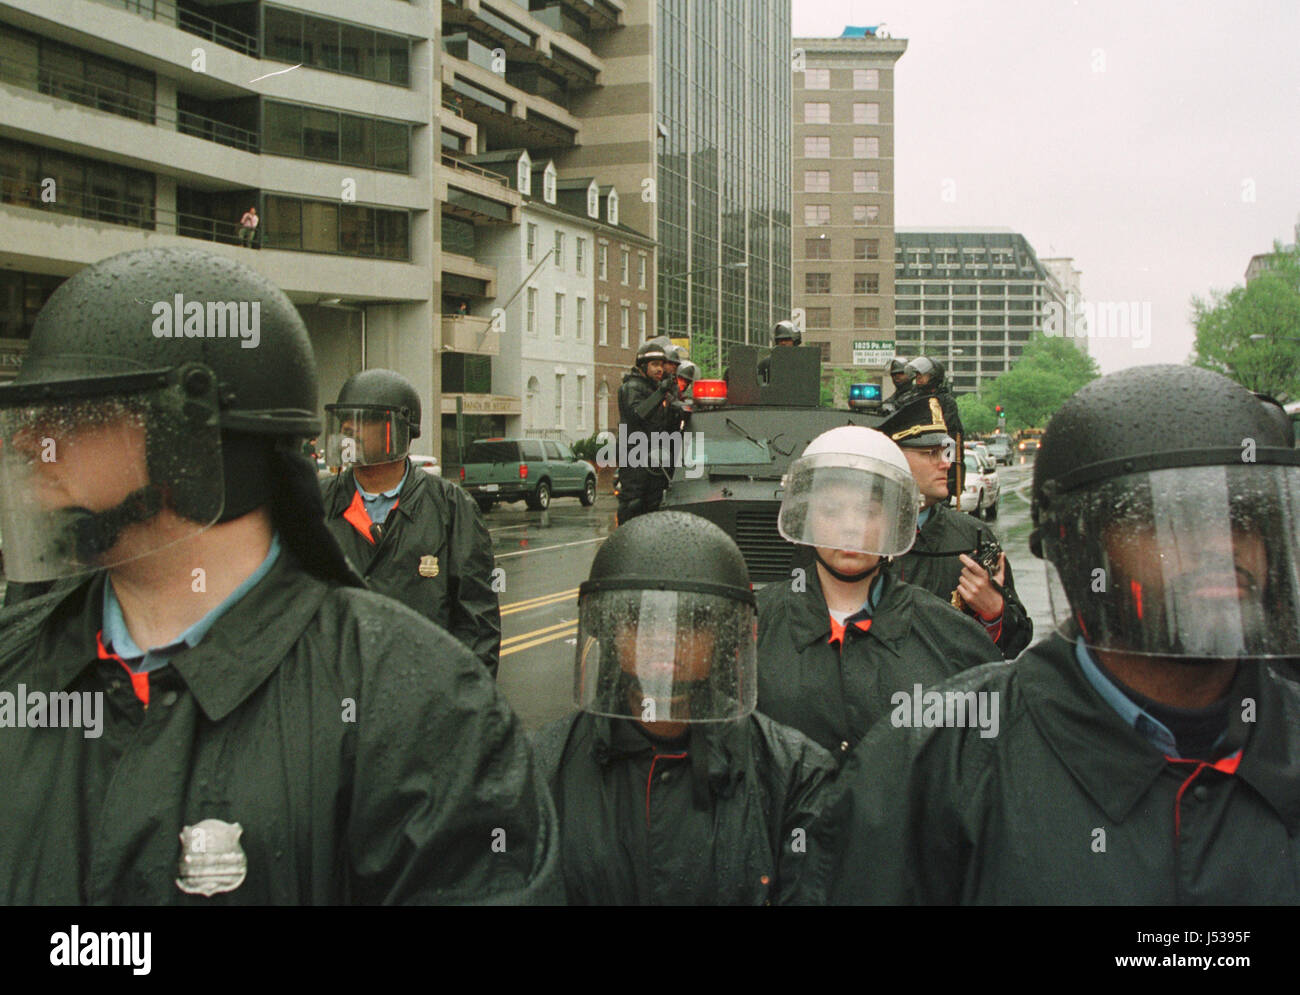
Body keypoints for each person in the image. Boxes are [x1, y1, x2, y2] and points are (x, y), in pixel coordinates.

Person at [0, 247, 559, 904]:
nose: (25, 442)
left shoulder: (428, 713)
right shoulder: (16, 662)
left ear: (189, 435)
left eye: (70, 415)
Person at [818, 364, 1300, 903]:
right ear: (1081, 547)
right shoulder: (938, 761)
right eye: (1171, 519)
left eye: (1243, 516)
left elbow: (1010, 624)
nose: (1219, 545)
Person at [530, 511, 837, 904]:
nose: (663, 639)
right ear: (609, 631)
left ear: (723, 639)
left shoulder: (794, 775)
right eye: (639, 620)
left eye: (691, 622)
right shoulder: (543, 767)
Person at [755, 425, 1002, 760]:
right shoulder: (752, 629)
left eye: (869, 511)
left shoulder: (951, 638)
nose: (850, 525)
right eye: (831, 509)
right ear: (807, 516)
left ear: (894, 520)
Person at [320, 369, 501, 678]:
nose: (349, 427)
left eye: (364, 418)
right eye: (345, 418)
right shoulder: (316, 502)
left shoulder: (451, 508)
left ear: (398, 428)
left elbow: (477, 626)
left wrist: (458, 709)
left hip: (422, 708)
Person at [882, 397, 1033, 659]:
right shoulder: (848, 538)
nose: (946, 463)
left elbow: (1014, 642)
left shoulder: (972, 538)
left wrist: (994, 611)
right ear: (893, 459)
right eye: (930, 453)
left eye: (946, 452)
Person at [616, 336, 679, 524]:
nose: (659, 369)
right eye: (654, 364)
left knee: (654, 503)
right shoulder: (632, 387)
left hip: (654, 458)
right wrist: (661, 394)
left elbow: (663, 424)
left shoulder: (655, 389)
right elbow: (638, 414)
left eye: (661, 364)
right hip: (635, 457)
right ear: (643, 366)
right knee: (633, 503)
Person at [895, 356, 965, 502]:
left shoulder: (945, 402)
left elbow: (950, 438)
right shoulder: (909, 397)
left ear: (934, 377)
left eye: (923, 375)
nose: (919, 378)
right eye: (917, 375)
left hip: (936, 454)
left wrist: (948, 472)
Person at [758, 320, 800, 385]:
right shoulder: (766, 363)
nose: (783, 342)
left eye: (786, 339)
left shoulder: (802, 361)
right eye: (779, 340)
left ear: (795, 341)